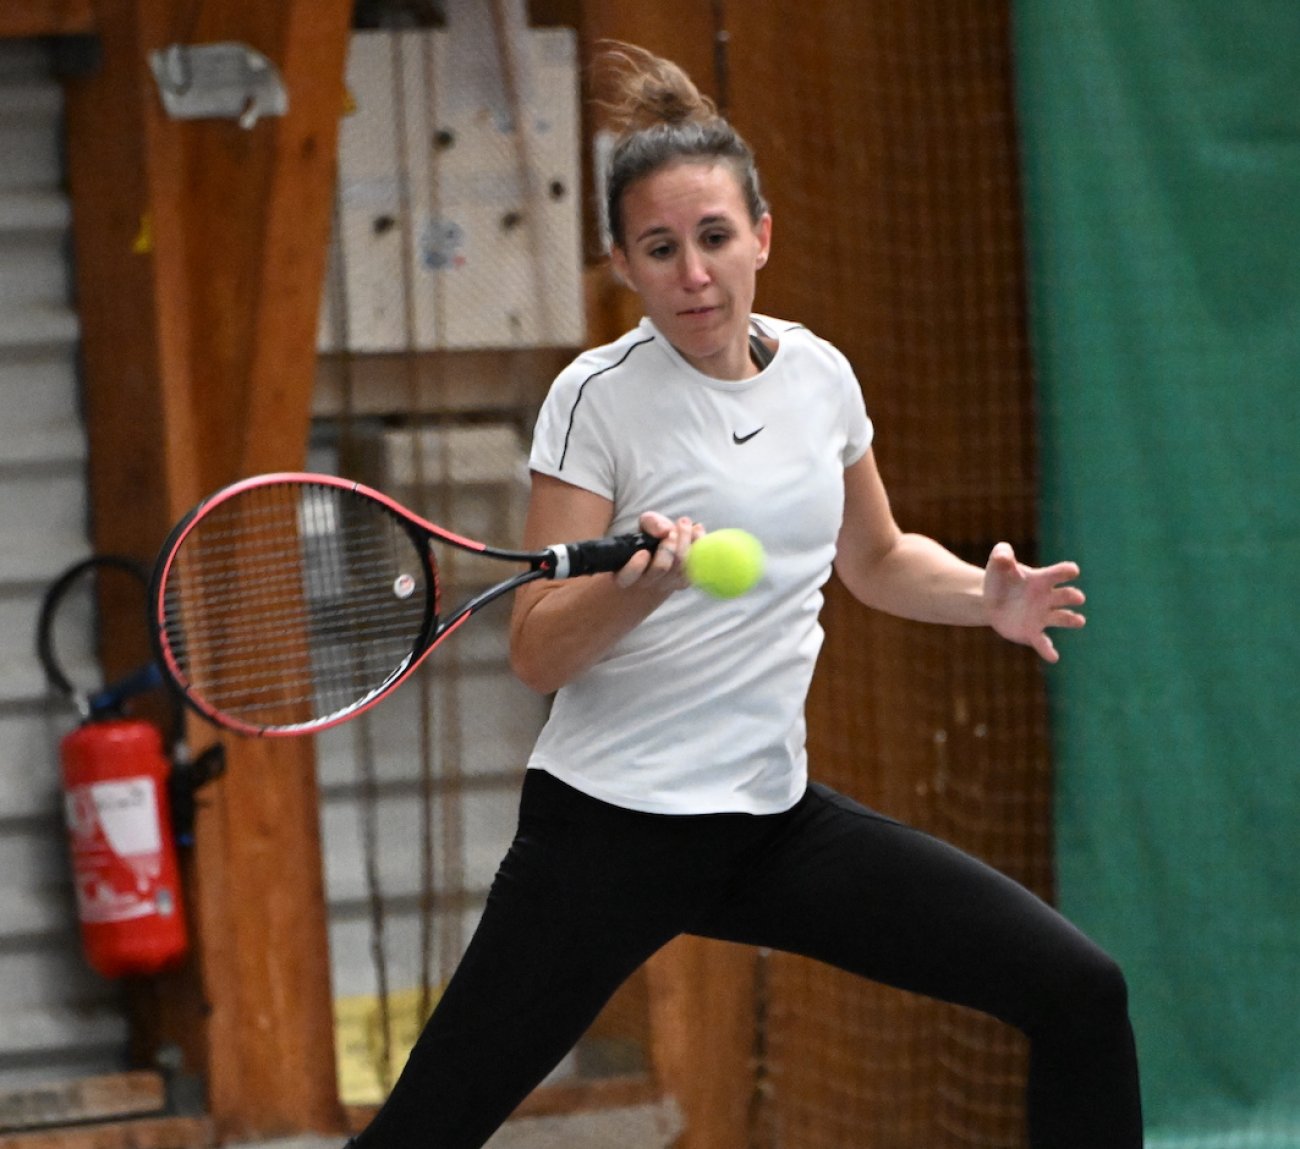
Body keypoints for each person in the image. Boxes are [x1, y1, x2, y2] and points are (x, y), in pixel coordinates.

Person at [348, 43, 1142, 1149]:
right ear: (622, 263)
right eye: (660, 249)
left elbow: (874, 559)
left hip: (772, 825)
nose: (694, 273)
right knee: (421, 1134)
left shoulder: (819, 375)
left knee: (1079, 991)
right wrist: (641, 588)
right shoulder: (596, 400)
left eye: (714, 238)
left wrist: (984, 599)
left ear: (761, 235)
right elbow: (536, 650)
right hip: (606, 837)